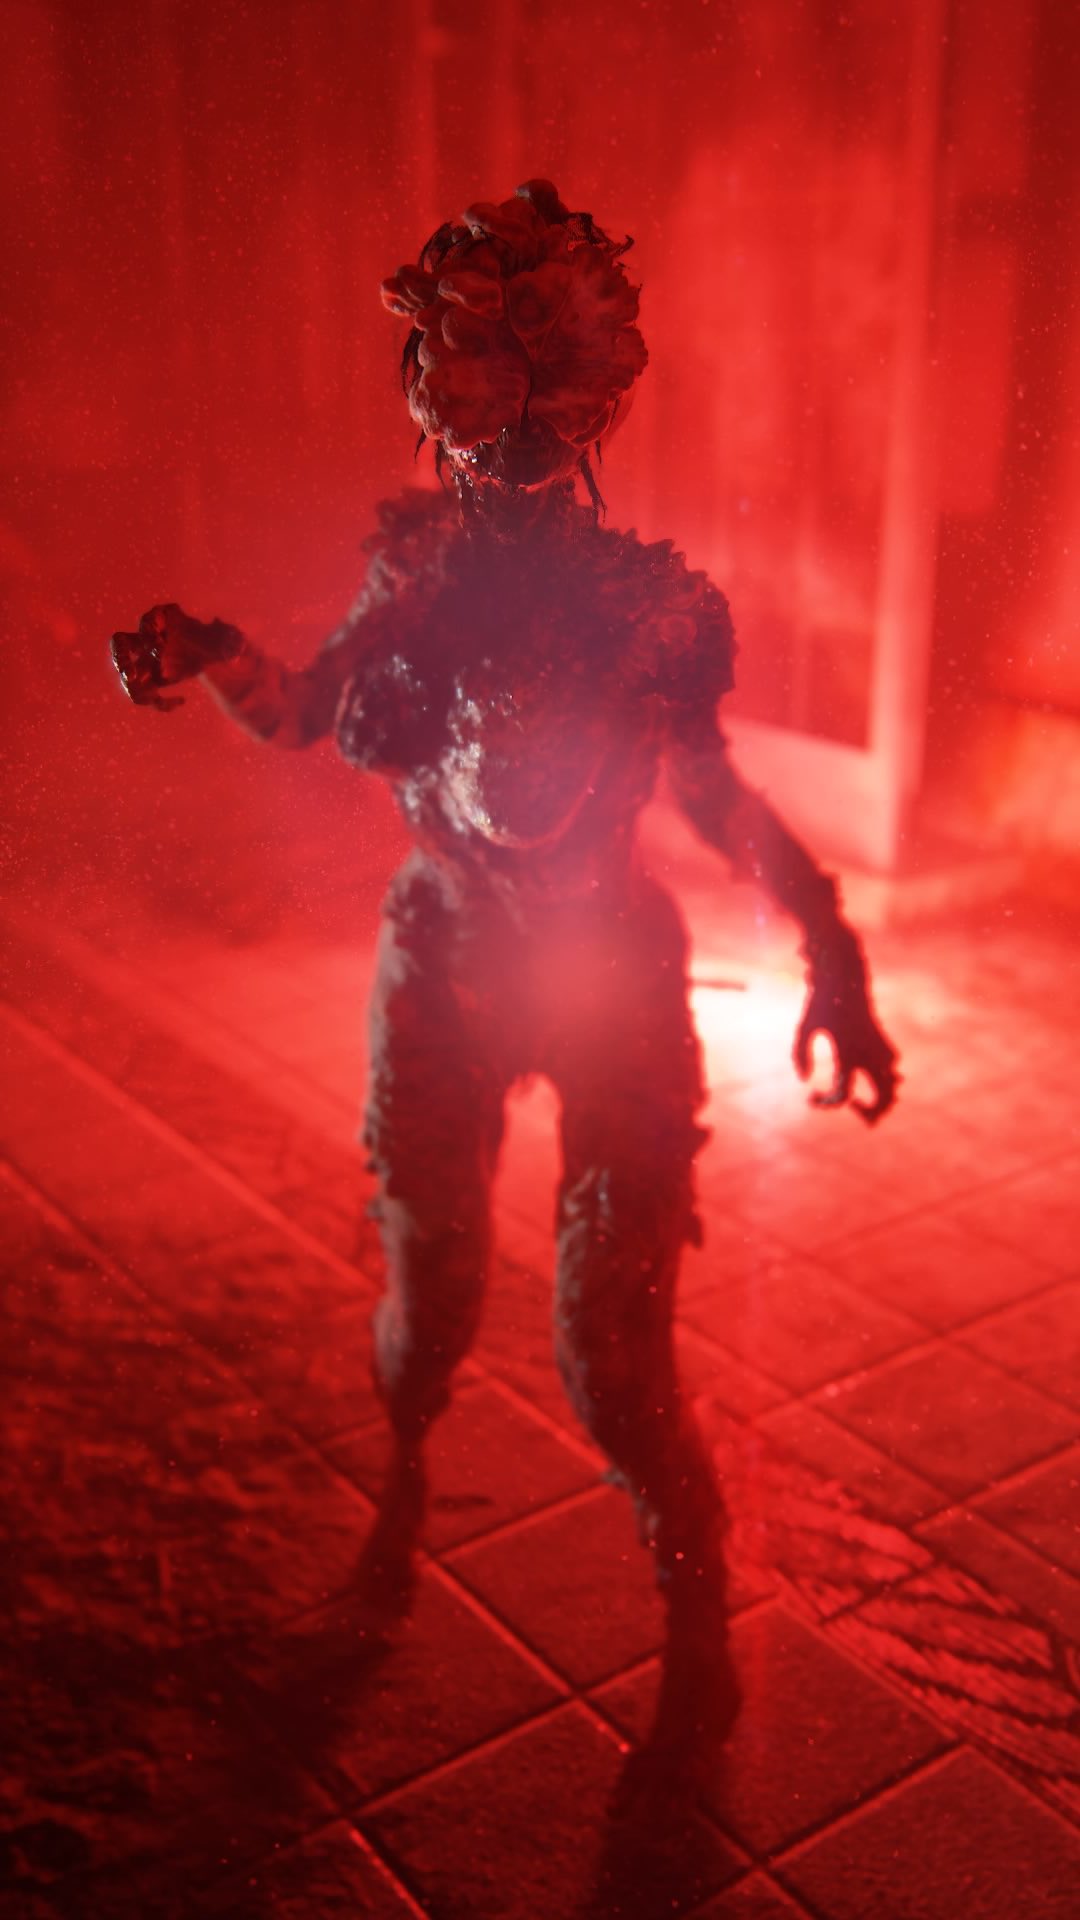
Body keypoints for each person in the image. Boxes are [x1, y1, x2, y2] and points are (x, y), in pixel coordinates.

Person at [111, 180, 898, 1768]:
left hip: (610, 973)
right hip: (446, 965)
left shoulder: (654, 611)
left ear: (571, 393)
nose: (463, 407)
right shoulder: (416, 576)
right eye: (444, 367)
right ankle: (407, 1481)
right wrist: (210, 653)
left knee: (612, 1356)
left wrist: (833, 951)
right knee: (432, 1305)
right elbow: (307, 712)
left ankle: (694, 1607)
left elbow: (713, 791)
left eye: (496, 370)